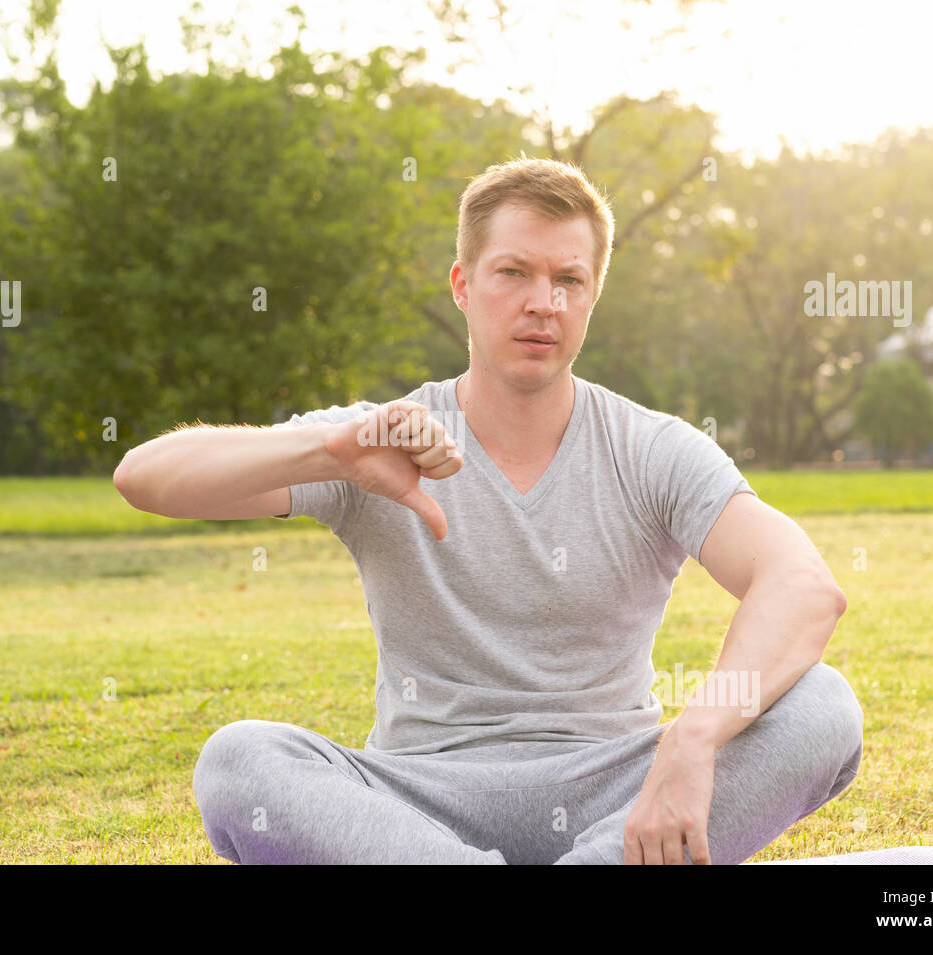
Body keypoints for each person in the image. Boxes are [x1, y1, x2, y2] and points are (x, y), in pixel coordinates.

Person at [112, 157, 863, 865]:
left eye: (570, 278)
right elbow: (145, 477)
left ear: (593, 295)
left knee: (824, 704)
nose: (545, 301)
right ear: (463, 284)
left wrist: (693, 741)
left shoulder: (651, 448)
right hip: (423, 803)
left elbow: (802, 585)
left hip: (616, 793)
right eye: (514, 272)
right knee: (239, 759)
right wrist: (327, 452)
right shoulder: (375, 439)